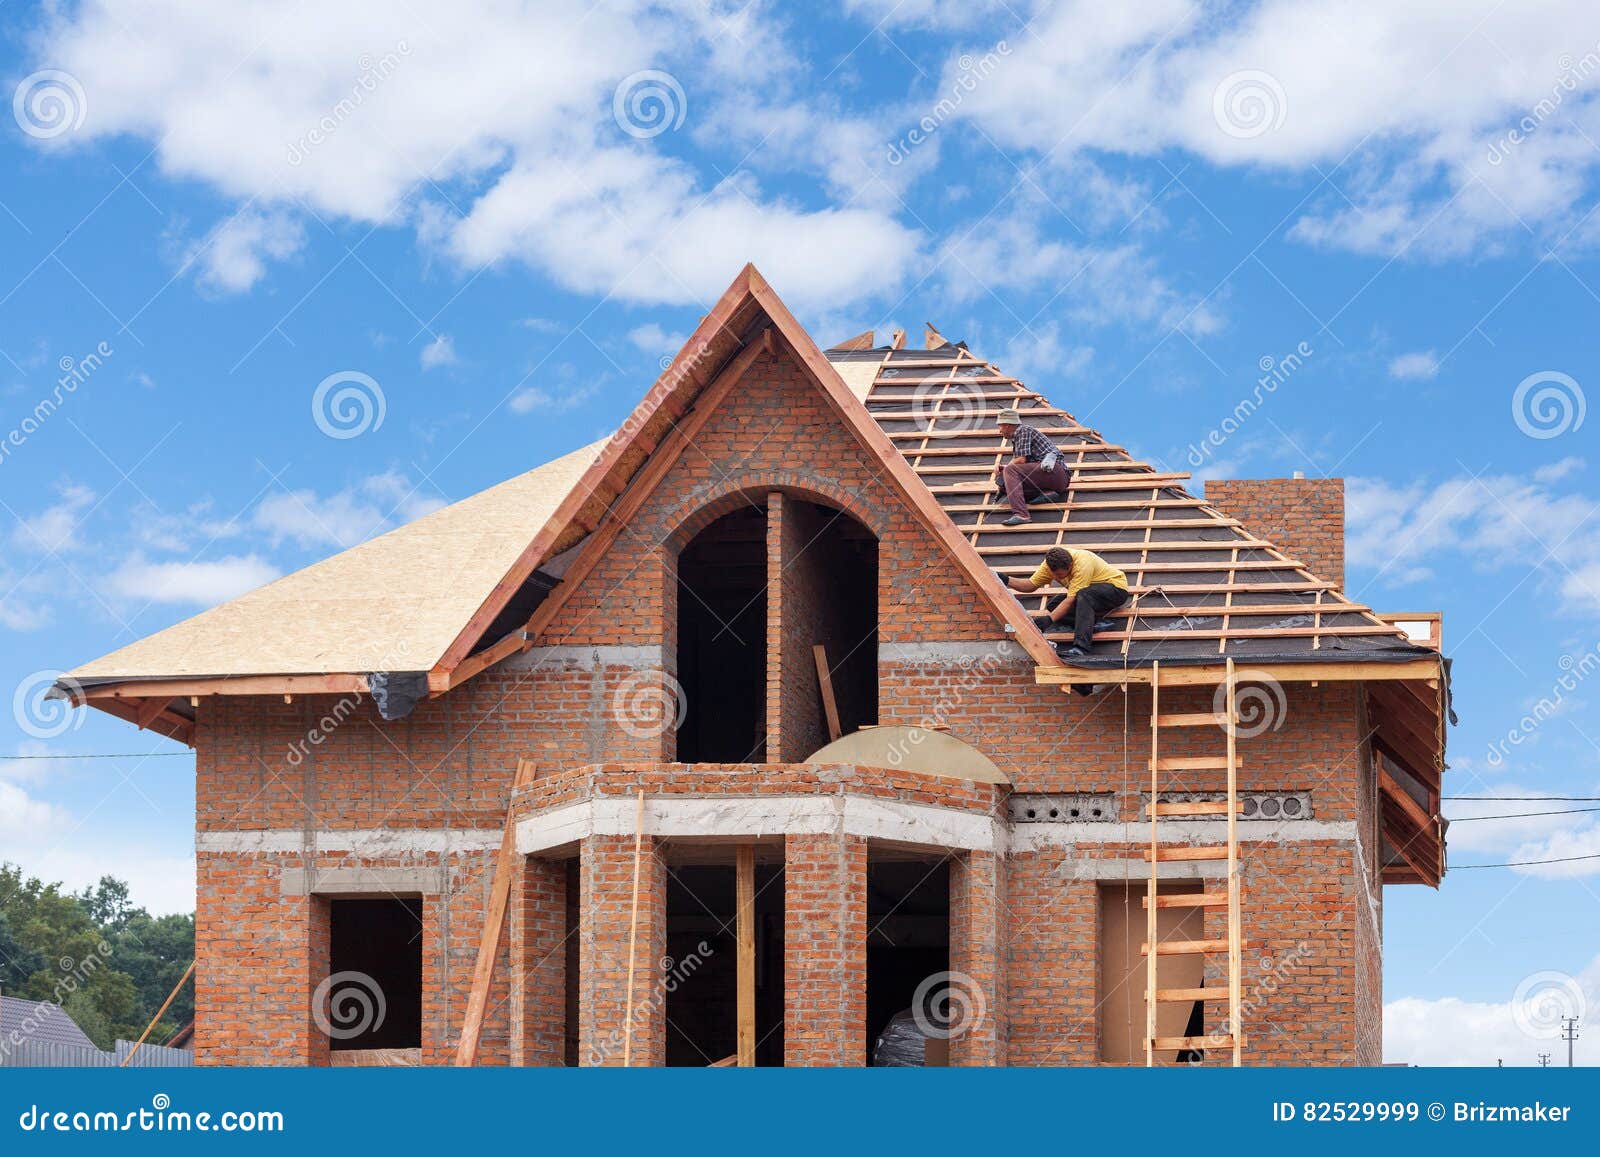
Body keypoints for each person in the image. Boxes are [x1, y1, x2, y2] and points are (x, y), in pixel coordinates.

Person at [1000, 545, 1129, 660]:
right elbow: (1030, 585)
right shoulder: (1048, 565)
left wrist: (1049, 620)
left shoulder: (1082, 563)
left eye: (1060, 575)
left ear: (1070, 565)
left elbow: (1071, 599)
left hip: (1115, 590)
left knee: (1083, 594)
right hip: (1090, 597)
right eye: (1055, 575)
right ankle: (1096, 623)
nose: (1057, 578)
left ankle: (1081, 648)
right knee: (1053, 604)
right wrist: (1006, 580)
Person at [993, 408, 1071, 525]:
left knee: (1009, 471)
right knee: (1007, 485)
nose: (999, 431)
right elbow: (1022, 465)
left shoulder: (1023, 430)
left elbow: (1021, 459)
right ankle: (1047, 493)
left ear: (1007, 425)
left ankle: (1021, 514)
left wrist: (1007, 469)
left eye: (1000, 426)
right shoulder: (1020, 436)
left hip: (1055, 471)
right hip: (1054, 479)